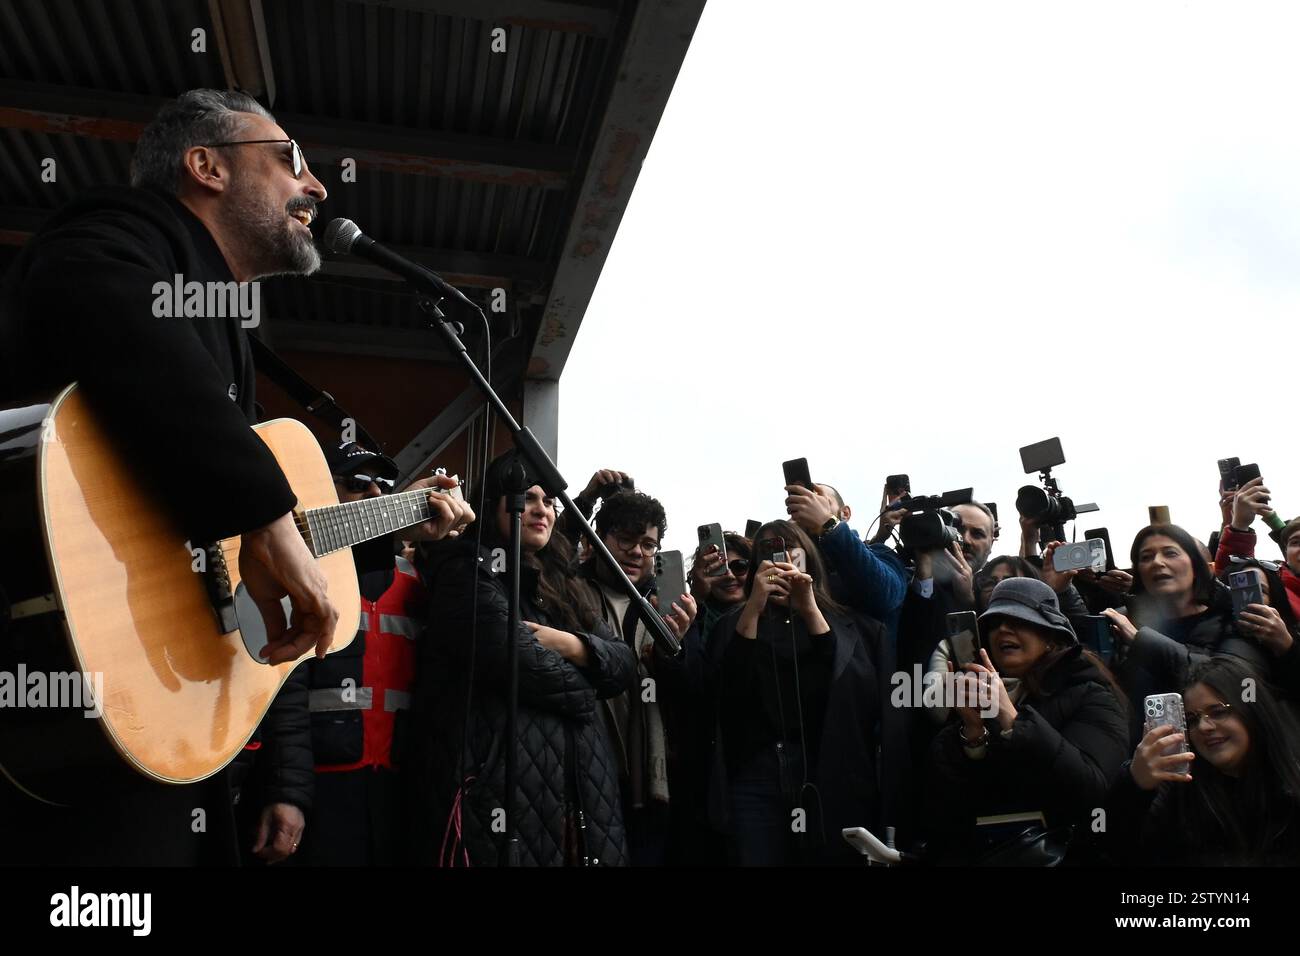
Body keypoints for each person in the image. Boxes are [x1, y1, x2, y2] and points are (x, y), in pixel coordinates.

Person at [0, 89, 468, 864]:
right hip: (87, 672)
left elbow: (218, 487)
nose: (316, 186)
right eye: (291, 160)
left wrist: (389, 522)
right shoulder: (126, 230)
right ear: (206, 165)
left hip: (165, 712)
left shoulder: (228, 321)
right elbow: (99, 303)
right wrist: (263, 510)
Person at [409, 452, 638, 866]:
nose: (542, 510)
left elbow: (623, 664)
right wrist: (589, 690)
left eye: (549, 501)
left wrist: (575, 647)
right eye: (528, 498)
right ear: (494, 503)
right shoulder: (465, 570)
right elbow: (514, 659)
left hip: (579, 791)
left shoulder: (565, 582)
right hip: (500, 792)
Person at [297, 442, 456, 866]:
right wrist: (286, 791)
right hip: (319, 786)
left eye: (384, 486)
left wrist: (436, 539)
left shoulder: (416, 577)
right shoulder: (300, 574)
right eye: (356, 483)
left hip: (399, 785)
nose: (374, 495)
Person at [708, 519, 882, 865]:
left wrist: (809, 606)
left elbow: (858, 692)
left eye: (791, 550)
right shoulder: (733, 624)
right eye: (769, 554)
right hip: (757, 768)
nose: (782, 561)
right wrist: (753, 607)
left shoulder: (853, 625)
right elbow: (724, 691)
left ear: (809, 559)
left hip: (825, 763)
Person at [925, 578, 1129, 864]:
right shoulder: (977, 696)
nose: (1003, 630)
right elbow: (946, 808)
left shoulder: (1091, 694)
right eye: (994, 624)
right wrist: (973, 734)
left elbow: (1092, 791)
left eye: (1019, 620)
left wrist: (1011, 718)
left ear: (1051, 637)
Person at [575, 485, 698, 865]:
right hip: (588, 764)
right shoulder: (569, 590)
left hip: (653, 776)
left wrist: (673, 649)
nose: (637, 553)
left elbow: (693, 692)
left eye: (648, 544)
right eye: (626, 539)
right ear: (598, 539)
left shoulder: (671, 604)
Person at [1105, 524, 1299, 741]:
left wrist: (1143, 642)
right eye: (1146, 557)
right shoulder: (1120, 621)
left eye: (1170, 553)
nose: (1157, 562)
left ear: (1198, 566)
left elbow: (1239, 686)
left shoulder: (1237, 620)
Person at [1112, 657, 1300, 865]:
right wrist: (1134, 786)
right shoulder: (1178, 795)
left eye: (1218, 712)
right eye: (1192, 719)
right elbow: (1117, 851)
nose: (1203, 727)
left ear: (1252, 711)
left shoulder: (1290, 790)